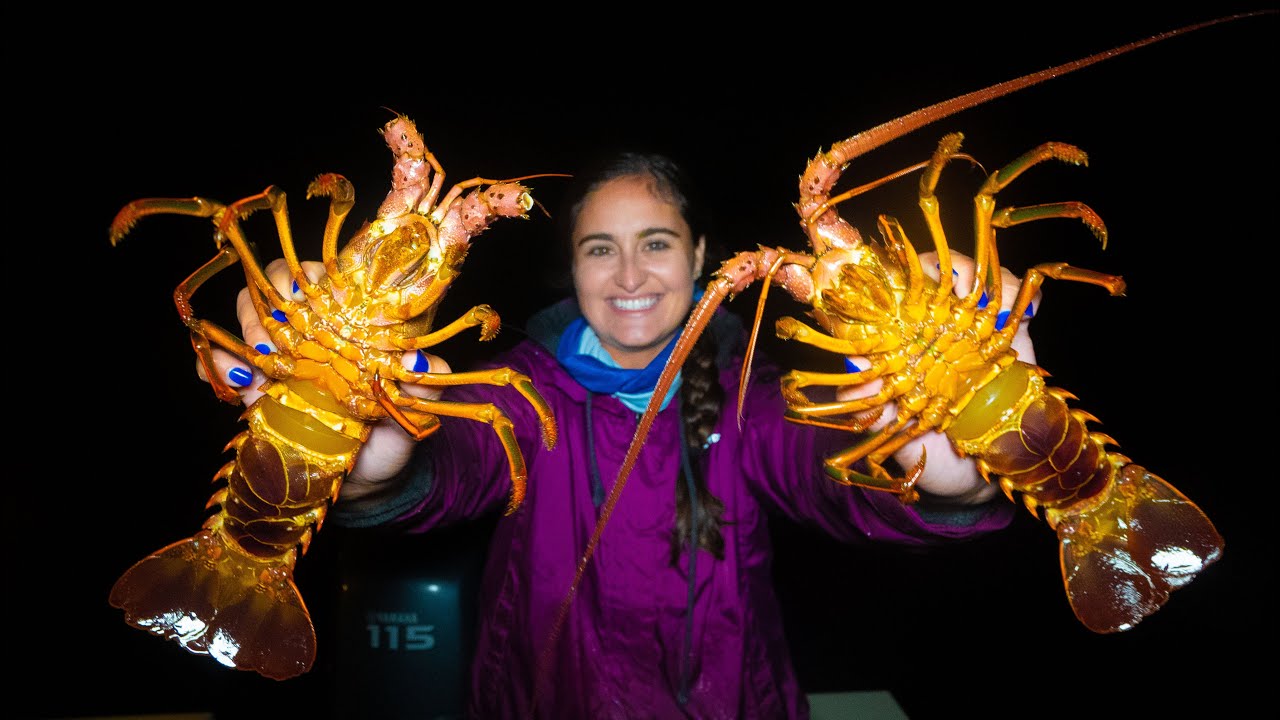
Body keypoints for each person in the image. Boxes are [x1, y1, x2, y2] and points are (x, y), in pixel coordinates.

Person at [206, 150, 1037, 719]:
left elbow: (833, 475)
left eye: (656, 244)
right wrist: (375, 465)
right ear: (571, 269)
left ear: (701, 255)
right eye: (600, 249)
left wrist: (950, 476)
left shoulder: (758, 404)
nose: (630, 275)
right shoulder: (515, 392)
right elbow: (447, 468)